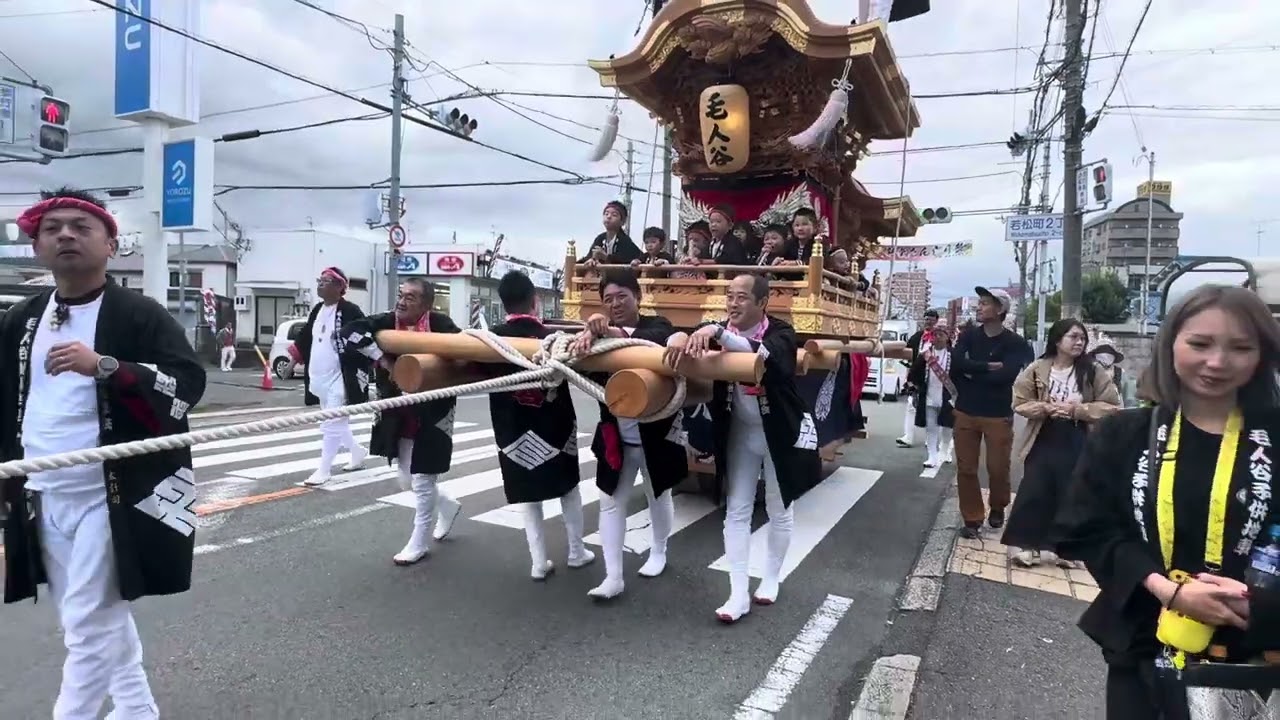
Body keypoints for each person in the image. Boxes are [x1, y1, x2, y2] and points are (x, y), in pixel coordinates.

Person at [0, 187, 208, 719]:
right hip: (43, 490)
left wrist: (108, 367)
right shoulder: (20, 319)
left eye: (81, 226)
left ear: (111, 245)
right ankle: (137, 709)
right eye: (52, 228)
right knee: (89, 617)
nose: (65, 234)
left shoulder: (139, 314)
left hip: (115, 491)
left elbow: (187, 386)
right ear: (37, 246)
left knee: (89, 622)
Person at [1055, 285, 1280, 718]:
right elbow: (1091, 529)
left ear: (1262, 355)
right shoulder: (1124, 435)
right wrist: (1166, 589)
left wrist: (1259, 604)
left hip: (1259, 657)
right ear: (1171, 343)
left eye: (1239, 347)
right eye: (1199, 343)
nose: (1216, 362)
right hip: (1146, 644)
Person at [666, 274, 821, 622]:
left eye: (742, 297)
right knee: (736, 509)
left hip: (779, 431)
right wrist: (683, 335)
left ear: (762, 302)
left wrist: (720, 335)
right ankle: (737, 594)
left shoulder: (781, 332)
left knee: (778, 507)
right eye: (729, 296)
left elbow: (767, 361)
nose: (733, 304)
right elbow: (682, 336)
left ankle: (770, 577)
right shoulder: (716, 328)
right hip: (740, 431)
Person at [569, 269, 685, 600]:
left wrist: (609, 330)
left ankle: (659, 551)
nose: (616, 304)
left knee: (658, 494)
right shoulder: (598, 338)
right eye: (608, 300)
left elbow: (654, 337)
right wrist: (590, 333)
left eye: (622, 296)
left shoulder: (658, 326)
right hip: (616, 436)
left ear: (639, 297)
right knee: (609, 502)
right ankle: (613, 576)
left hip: (655, 434)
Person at [341, 278, 464, 565]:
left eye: (411, 297)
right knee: (406, 480)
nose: (402, 301)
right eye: (401, 295)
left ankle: (418, 542)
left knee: (422, 480)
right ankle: (448, 506)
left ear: (426, 304)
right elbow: (348, 333)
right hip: (397, 412)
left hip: (433, 412)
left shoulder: (440, 324)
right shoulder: (385, 322)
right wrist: (382, 357)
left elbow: (463, 349)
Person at [487, 271, 596, 580]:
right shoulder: (554, 337)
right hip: (555, 425)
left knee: (528, 493)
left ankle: (538, 562)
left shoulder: (491, 338)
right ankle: (576, 552)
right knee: (569, 487)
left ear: (503, 301)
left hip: (512, 429)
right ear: (535, 300)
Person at [1004, 318, 1119, 568]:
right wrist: (1044, 407)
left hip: (1078, 436)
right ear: (1058, 340)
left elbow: (1111, 406)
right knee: (1035, 488)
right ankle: (1027, 546)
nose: (1079, 342)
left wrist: (1078, 410)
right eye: (1073, 337)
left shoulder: (1093, 371)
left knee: (1072, 493)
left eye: (1082, 339)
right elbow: (1019, 401)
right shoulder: (1038, 368)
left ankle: (1065, 550)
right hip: (1044, 433)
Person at [949, 286, 1033, 539]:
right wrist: (985, 367)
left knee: (997, 467)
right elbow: (956, 364)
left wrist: (972, 371)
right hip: (965, 410)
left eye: (985, 303)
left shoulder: (1015, 343)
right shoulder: (968, 336)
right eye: (980, 302)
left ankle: (998, 505)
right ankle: (972, 519)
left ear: (1000, 310)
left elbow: (1007, 375)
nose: (979, 307)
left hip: (998, 414)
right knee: (966, 468)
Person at [287, 267, 372, 486]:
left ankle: (324, 470)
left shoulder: (351, 311)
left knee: (333, 422)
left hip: (341, 376)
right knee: (334, 421)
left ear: (338, 287)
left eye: (325, 281)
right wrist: (292, 362)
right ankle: (357, 451)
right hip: (319, 375)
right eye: (319, 280)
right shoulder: (317, 309)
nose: (320, 284)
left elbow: (365, 339)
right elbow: (306, 337)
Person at [906, 321, 956, 468]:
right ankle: (932, 456)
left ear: (947, 337)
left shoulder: (953, 355)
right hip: (929, 396)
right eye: (936, 334)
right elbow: (914, 371)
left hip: (948, 397)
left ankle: (945, 451)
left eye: (942, 334)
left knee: (947, 428)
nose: (938, 337)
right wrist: (913, 385)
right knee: (931, 428)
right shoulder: (926, 355)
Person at [898, 309, 939, 448]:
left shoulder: (941, 338)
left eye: (931, 319)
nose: (928, 321)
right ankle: (908, 437)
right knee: (911, 405)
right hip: (917, 377)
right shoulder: (917, 337)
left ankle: (930, 439)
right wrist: (908, 376)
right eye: (926, 319)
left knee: (931, 408)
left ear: (936, 321)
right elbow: (908, 356)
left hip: (935, 377)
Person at [580, 200, 642, 265]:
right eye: (606, 214)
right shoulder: (600, 238)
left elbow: (627, 260)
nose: (609, 217)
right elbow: (589, 257)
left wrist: (606, 257)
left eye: (614, 215)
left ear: (622, 221)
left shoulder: (625, 240)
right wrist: (592, 259)